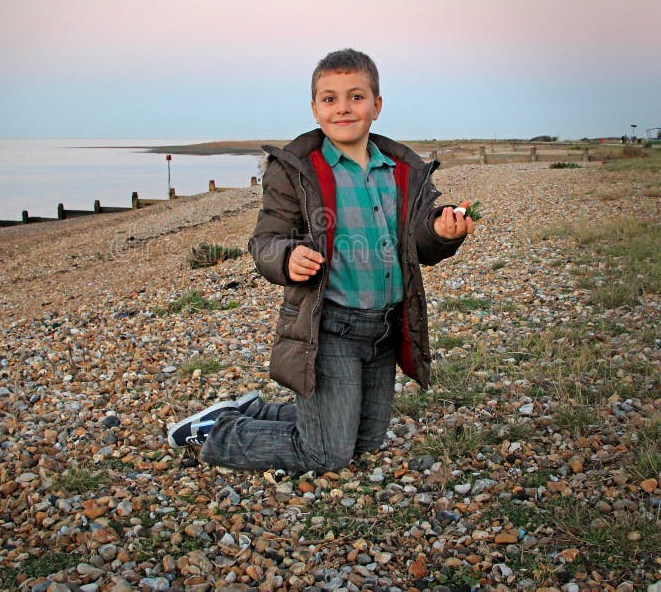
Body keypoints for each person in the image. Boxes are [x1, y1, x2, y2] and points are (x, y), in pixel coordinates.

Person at [167, 48, 475, 474]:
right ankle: (216, 430)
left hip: (386, 327)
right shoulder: (296, 171)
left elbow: (420, 242)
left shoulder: (403, 170)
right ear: (315, 108)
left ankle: (261, 412)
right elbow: (265, 240)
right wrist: (287, 256)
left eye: (356, 97)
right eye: (330, 99)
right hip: (331, 328)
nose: (343, 108)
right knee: (327, 454)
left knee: (365, 441)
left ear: (376, 106)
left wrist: (441, 232)